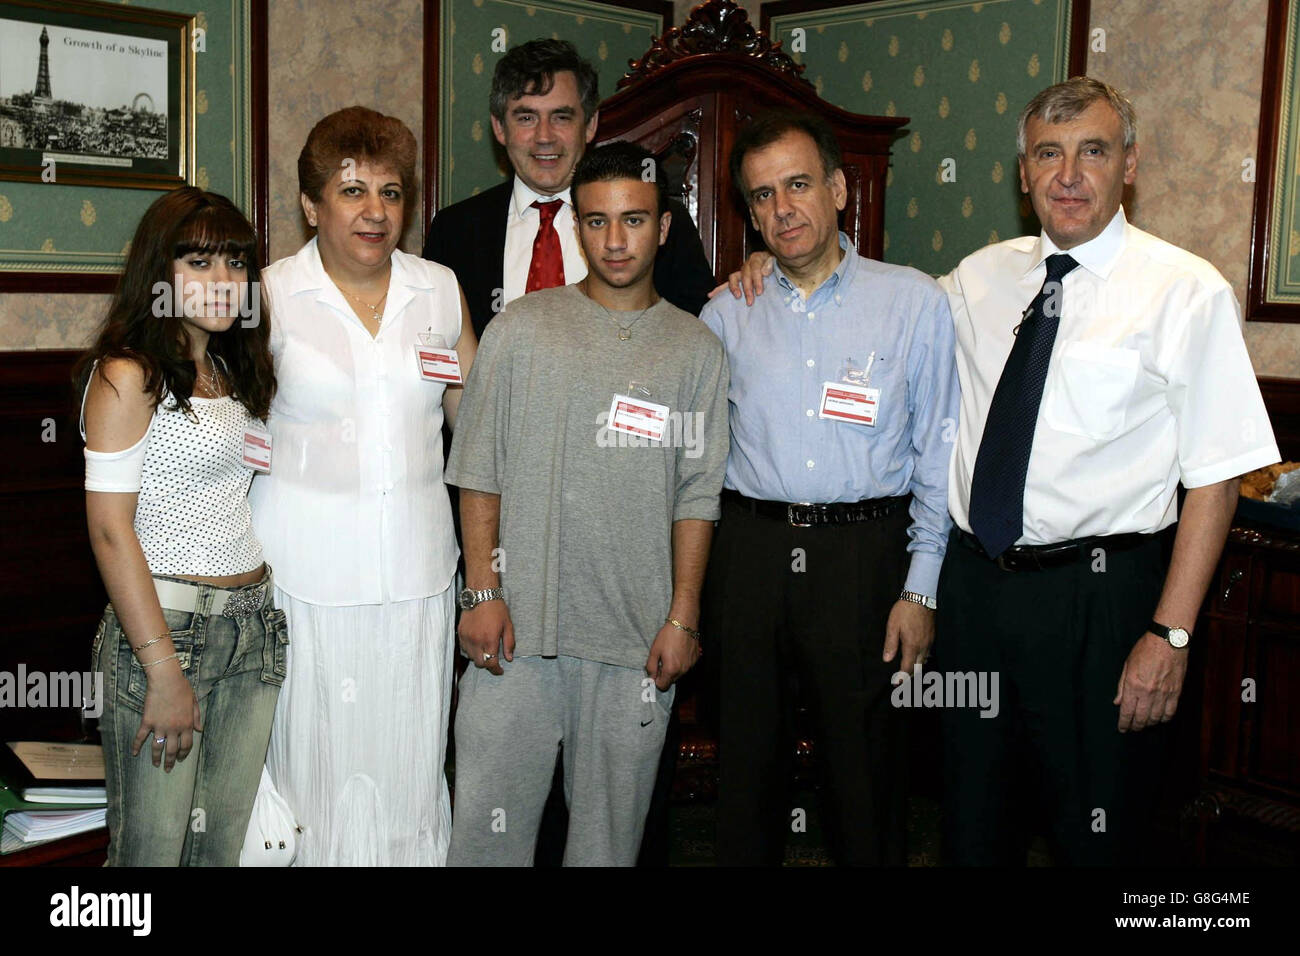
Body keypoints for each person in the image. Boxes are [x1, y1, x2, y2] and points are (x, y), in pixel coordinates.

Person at [936, 77, 1279, 865]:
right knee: (970, 827)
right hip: (976, 593)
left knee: (1097, 834)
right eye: (1047, 154)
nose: (1068, 175)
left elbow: (1217, 479)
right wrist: (766, 271)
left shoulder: (1186, 293)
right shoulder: (976, 280)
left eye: (1092, 151)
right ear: (1022, 174)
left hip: (1101, 602)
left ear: (1129, 163)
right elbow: (879, 320)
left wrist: (1171, 633)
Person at [444, 141, 729, 866]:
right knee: (488, 835)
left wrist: (683, 615)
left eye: (633, 220)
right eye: (597, 221)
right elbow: (478, 467)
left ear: (664, 227)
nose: (615, 240)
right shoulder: (520, 330)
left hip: (634, 638)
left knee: (607, 847)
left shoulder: (695, 350)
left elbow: (697, 493)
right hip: (515, 634)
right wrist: (482, 589)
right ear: (577, 226)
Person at [699, 111, 958, 866]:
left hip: (865, 556)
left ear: (840, 189)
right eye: (761, 196)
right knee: (746, 770)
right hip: (749, 550)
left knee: (866, 773)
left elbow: (938, 453)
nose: (782, 209)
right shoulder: (725, 314)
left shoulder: (913, 303)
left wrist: (922, 589)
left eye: (799, 184)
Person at [248, 106, 478, 866]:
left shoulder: (438, 291)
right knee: (313, 782)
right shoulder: (269, 298)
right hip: (304, 583)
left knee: (410, 778)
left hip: (416, 578)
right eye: (352, 192)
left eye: (391, 191)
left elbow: (475, 436)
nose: (374, 211)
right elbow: (226, 437)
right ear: (312, 206)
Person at [79, 187, 281, 866]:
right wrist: (163, 670)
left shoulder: (230, 369)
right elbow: (110, 530)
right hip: (169, 635)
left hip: (253, 631)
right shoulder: (128, 374)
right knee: (150, 859)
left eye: (235, 263)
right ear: (158, 273)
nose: (223, 282)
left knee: (216, 854)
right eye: (199, 263)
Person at [422, 37, 716, 338]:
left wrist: (762, 268)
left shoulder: (663, 222)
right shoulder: (455, 231)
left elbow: (701, 329)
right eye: (526, 117)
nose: (544, 137)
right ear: (499, 127)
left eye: (561, 117)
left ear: (590, 125)